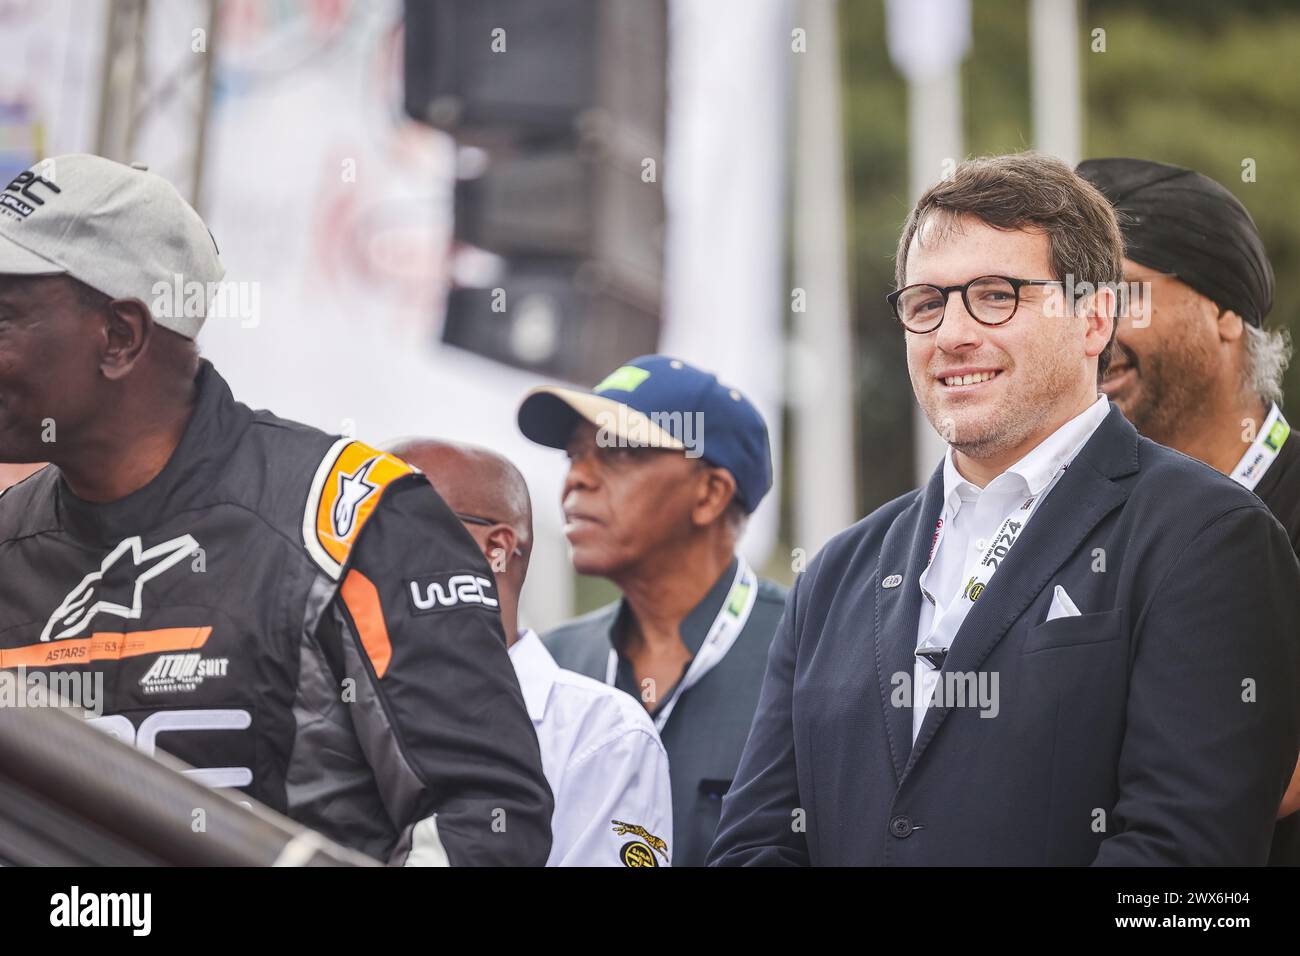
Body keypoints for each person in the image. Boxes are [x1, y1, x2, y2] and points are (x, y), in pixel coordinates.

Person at [709, 152, 1300, 866]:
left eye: (996, 296)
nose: (953, 334)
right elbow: (752, 845)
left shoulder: (1210, 536)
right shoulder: (836, 573)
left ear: (1094, 318)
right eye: (927, 303)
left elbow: (1181, 870)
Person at [0, 154, 552, 866]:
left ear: (120, 338)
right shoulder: (10, 542)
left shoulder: (353, 522)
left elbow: (488, 816)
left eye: (3, 318)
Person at [1079, 156, 1300, 864]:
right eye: (1077, 302)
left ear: (1225, 311)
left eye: (1125, 296)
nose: (1095, 331)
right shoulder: (1065, 521)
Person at [517, 355, 787, 867]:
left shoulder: (817, 650)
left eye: (615, 454)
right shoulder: (551, 664)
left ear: (709, 494)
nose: (577, 479)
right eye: (573, 455)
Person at [387, 437, 674, 867]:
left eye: (389, 523)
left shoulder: (602, 734)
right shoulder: (328, 700)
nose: (357, 550)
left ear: (495, 549)